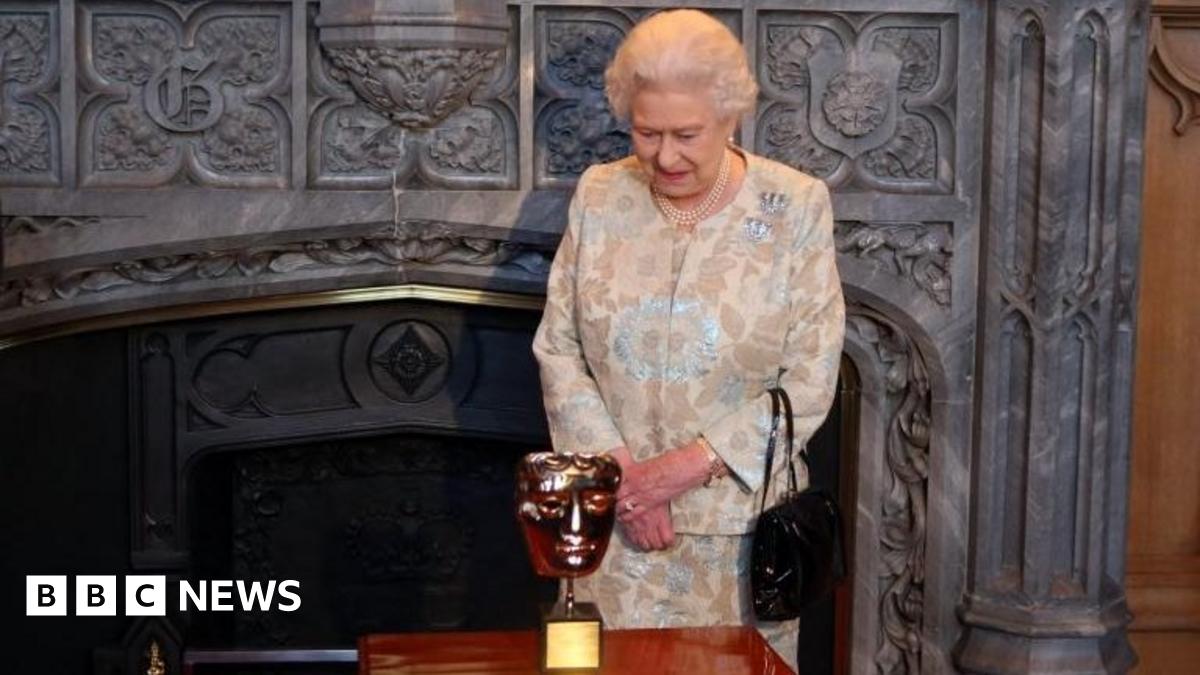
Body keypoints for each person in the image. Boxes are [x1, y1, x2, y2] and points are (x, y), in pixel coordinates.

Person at [531, 9, 845, 671]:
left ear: (730, 116)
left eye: (686, 134)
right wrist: (624, 483)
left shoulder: (795, 207)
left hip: (741, 540)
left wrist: (676, 472)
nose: (664, 156)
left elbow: (812, 378)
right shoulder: (599, 195)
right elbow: (559, 347)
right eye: (646, 133)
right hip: (613, 534)